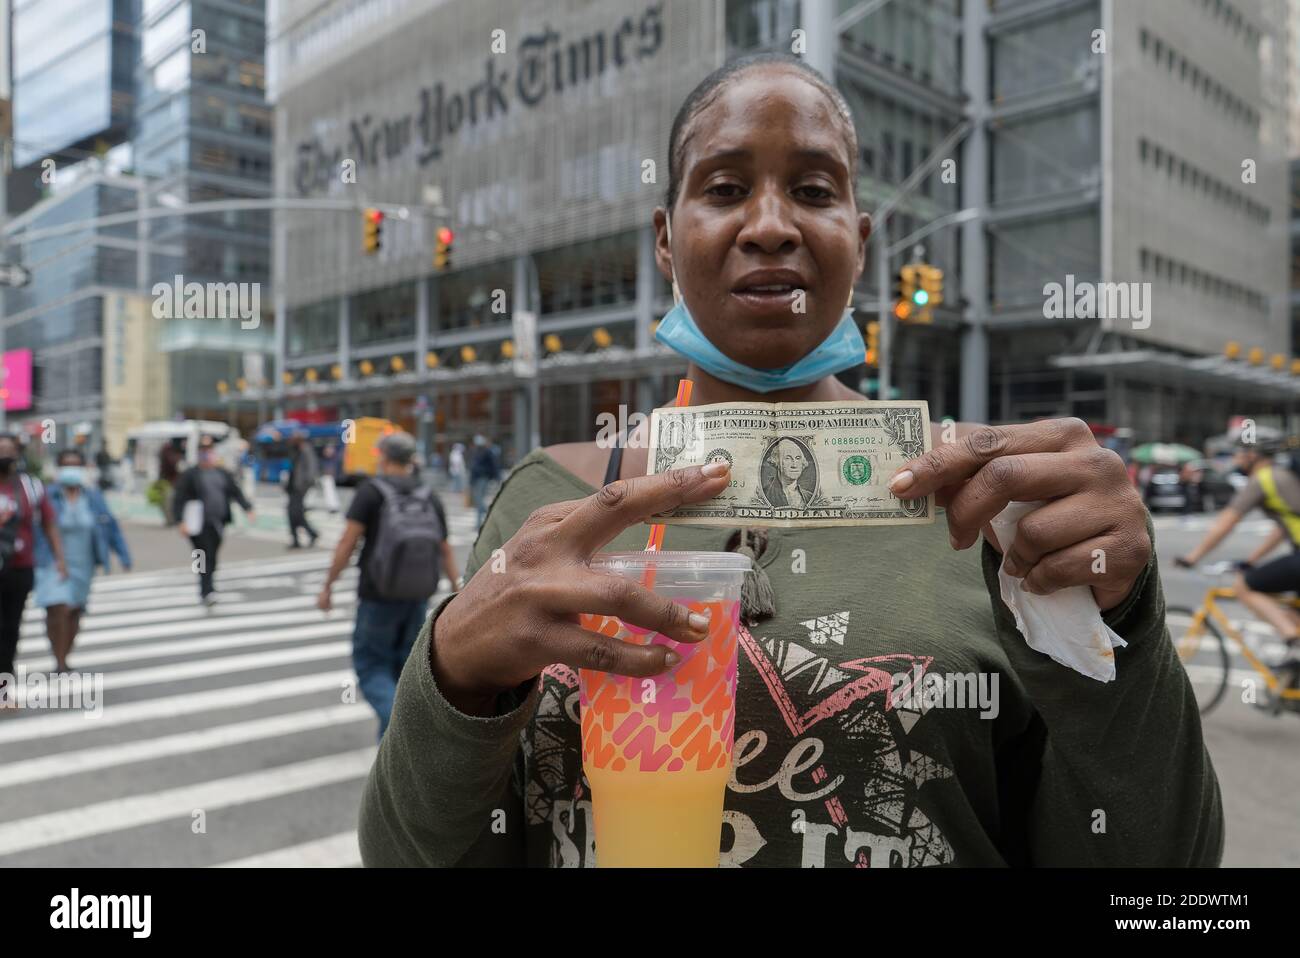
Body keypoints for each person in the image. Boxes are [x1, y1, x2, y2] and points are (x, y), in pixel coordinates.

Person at [357, 54, 1222, 868]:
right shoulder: (547, 501)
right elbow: (410, 853)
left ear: (862, 237)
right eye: (725, 188)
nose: (770, 226)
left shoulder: (994, 506)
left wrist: (1124, 620)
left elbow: (1161, 873)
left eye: (813, 190)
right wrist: (454, 675)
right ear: (665, 239)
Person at [316, 431, 459, 739]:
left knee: (370, 666)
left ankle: (402, 729)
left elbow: (347, 542)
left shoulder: (371, 492)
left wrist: (328, 585)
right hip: (417, 596)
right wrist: (456, 589)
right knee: (402, 669)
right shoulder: (427, 494)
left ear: (383, 457)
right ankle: (391, 749)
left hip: (377, 595)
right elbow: (444, 548)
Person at [1177, 433, 1300, 673]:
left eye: (1238, 453)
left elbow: (1226, 522)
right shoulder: (1283, 476)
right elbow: (1282, 529)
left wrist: (1193, 556)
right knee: (1292, 613)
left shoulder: (1263, 479)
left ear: (1252, 455)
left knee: (1243, 586)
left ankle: (1294, 645)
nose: (1235, 459)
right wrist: (1251, 560)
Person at [34, 450, 131, 672]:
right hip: (51, 561)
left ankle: (64, 656)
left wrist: (123, 555)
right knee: (58, 607)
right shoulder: (47, 495)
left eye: (76, 465)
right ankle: (58, 660)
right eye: (67, 465)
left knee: (74, 610)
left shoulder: (93, 496)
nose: (72, 469)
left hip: (83, 562)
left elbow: (111, 526)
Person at [0, 433, 66, 687]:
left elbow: (49, 523)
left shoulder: (30, 486)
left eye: (10, 449)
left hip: (19, 568)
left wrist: (60, 559)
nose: (5, 454)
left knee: (10, 628)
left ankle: (4, 687)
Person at [173, 435, 255, 606]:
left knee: (211, 556)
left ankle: (207, 584)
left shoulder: (222, 473)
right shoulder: (191, 475)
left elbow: (235, 492)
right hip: (198, 524)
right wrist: (180, 521)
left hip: (218, 522)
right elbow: (179, 499)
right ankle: (205, 589)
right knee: (202, 555)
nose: (206, 454)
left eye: (209, 451)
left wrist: (247, 508)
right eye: (203, 451)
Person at [286, 428, 321, 549]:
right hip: (292, 486)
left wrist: (306, 484)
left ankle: (308, 535)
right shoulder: (296, 450)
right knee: (294, 513)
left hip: (299, 487)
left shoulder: (306, 450)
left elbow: (311, 469)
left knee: (295, 513)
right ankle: (300, 537)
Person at [468, 434, 500, 528]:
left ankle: (480, 523)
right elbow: (473, 467)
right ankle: (488, 516)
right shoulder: (475, 451)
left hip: (483, 478)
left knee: (479, 500)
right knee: (478, 501)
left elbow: (494, 465)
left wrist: (496, 477)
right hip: (476, 479)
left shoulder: (487, 452)